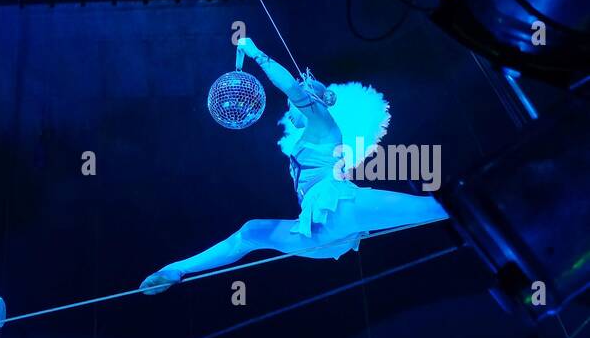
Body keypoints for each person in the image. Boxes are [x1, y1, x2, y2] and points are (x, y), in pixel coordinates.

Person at [141, 36, 447, 294]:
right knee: (250, 232)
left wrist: (256, 53)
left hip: (339, 208)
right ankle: (174, 271)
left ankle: (485, 203)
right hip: (318, 236)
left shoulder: (323, 123)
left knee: (436, 208)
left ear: (312, 100)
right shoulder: (308, 135)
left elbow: (292, 88)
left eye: (296, 100)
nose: (290, 106)